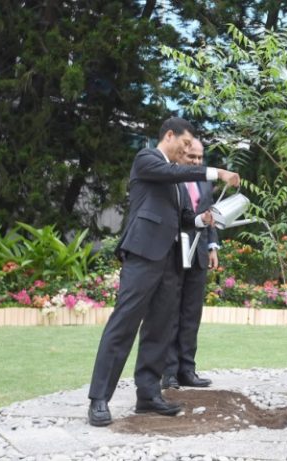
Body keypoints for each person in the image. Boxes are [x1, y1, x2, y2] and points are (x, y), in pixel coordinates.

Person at [87, 117, 240, 427]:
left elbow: (184, 217)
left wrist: (203, 220)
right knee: (124, 325)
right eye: (184, 144)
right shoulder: (147, 160)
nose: (187, 151)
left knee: (160, 328)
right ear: (168, 136)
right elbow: (174, 172)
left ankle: (148, 394)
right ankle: (99, 399)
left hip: (171, 261)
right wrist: (216, 172)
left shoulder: (174, 184)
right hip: (143, 256)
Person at [161, 139, 219, 390]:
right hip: (174, 251)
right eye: (191, 157)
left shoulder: (205, 180)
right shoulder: (169, 178)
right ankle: (169, 373)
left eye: (199, 158)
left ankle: (188, 370)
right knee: (171, 312)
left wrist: (212, 246)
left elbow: (211, 214)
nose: (196, 162)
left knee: (191, 314)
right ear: (181, 156)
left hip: (200, 254)